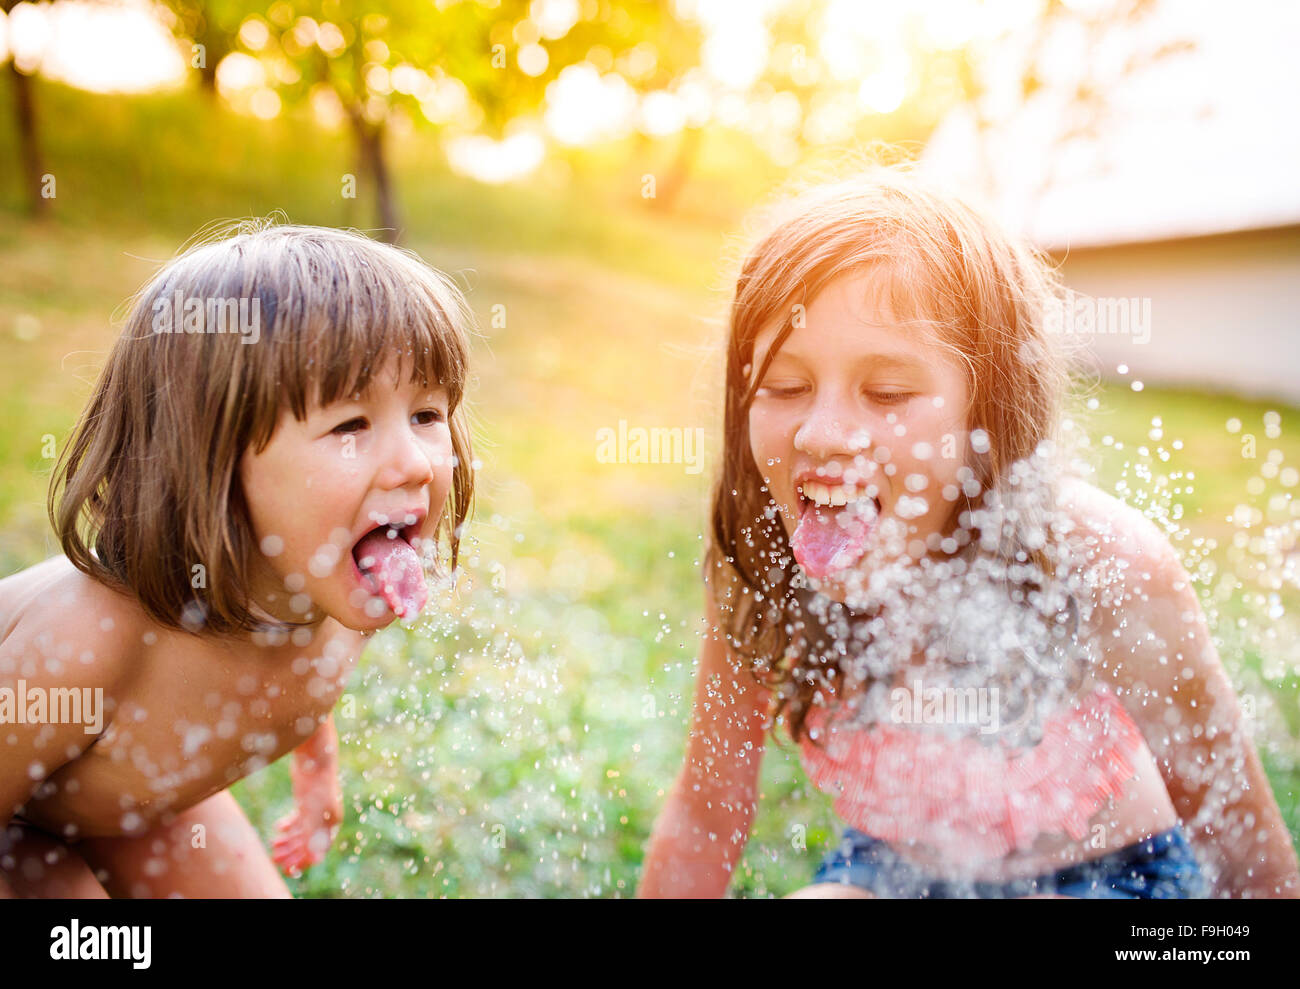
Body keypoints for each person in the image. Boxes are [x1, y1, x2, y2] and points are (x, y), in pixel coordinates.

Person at [639, 164, 1300, 898]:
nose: (822, 432)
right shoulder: (763, 567)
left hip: (1120, 875)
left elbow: (1242, 842)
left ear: (986, 410)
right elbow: (706, 813)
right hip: (896, 873)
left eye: (886, 391)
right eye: (785, 387)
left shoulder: (1097, 558)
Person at [0, 222, 474, 897]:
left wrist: (318, 780)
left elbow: (296, 681)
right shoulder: (87, 641)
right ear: (213, 461)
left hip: (136, 802)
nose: (415, 464)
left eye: (427, 413)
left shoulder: (333, 596)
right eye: (349, 426)